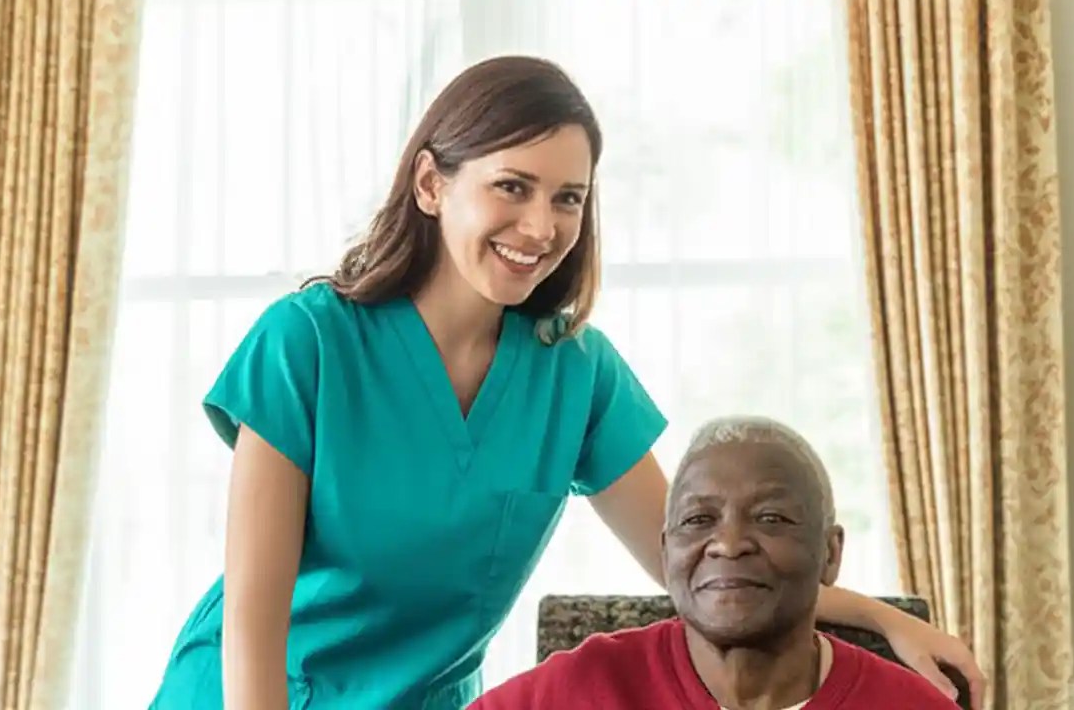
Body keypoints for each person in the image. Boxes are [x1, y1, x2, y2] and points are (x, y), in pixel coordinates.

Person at [149, 56, 984, 709]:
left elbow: (694, 564)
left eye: (568, 198)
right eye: (511, 187)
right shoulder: (309, 344)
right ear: (433, 185)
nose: (541, 227)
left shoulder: (575, 373)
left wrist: (886, 621)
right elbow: (251, 630)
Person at [469, 416, 965, 710]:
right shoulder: (586, 687)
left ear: (830, 554)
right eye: (698, 519)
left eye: (770, 517)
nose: (727, 544)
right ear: (666, 552)